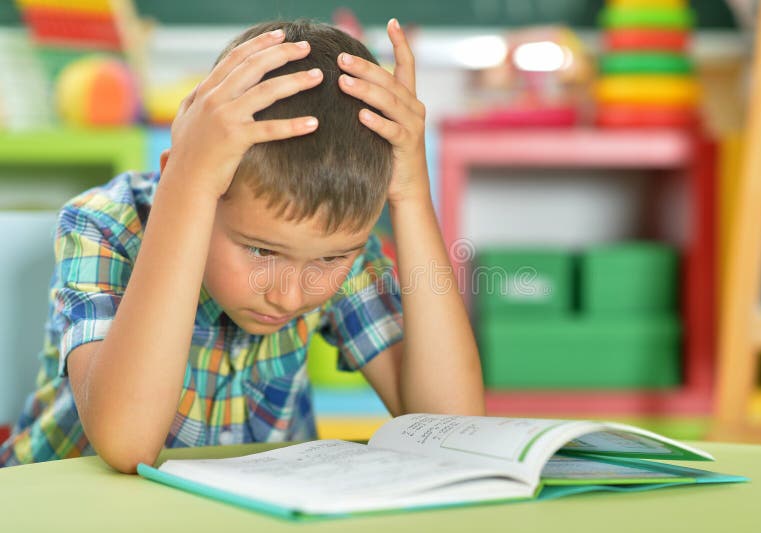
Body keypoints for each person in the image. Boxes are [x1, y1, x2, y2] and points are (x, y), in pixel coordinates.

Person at [0, 19, 484, 473]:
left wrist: (411, 196)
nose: (289, 296)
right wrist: (188, 185)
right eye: (261, 251)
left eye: (331, 258)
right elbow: (127, 442)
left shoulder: (342, 247)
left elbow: (451, 428)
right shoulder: (103, 226)